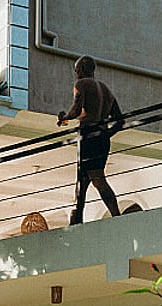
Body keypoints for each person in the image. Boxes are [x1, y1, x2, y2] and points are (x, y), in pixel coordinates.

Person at [57, 55, 124, 224]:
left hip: (88, 135)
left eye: (76, 70)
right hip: (102, 137)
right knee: (84, 178)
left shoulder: (82, 84)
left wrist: (64, 117)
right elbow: (120, 120)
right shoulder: (106, 90)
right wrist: (106, 134)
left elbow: (76, 109)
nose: (76, 73)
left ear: (80, 69)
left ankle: (115, 215)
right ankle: (77, 217)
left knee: (95, 177)